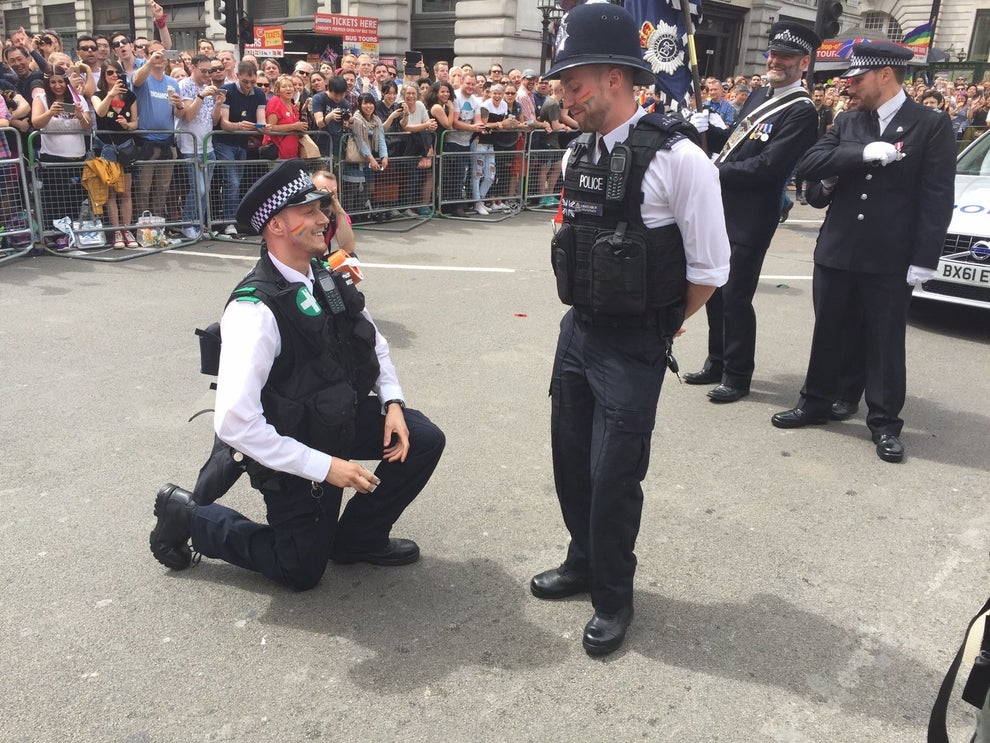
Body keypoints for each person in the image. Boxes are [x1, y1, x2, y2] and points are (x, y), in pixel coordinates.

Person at [532, 2, 730, 656]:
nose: (564, 97)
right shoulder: (578, 152)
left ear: (615, 77)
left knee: (614, 477)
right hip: (578, 332)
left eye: (573, 83)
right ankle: (583, 558)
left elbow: (710, 270)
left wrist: (661, 326)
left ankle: (614, 595)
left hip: (633, 343)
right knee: (570, 460)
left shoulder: (680, 159)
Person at [149, 159, 446, 588]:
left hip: (333, 420)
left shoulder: (322, 275)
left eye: (321, 209)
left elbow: (371, 340)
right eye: (309, 211)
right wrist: (325, 468)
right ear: (276, 226)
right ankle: (188, 515)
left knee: (422, 438)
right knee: (300, 570)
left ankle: (357, 541)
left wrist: (393, 401)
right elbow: (235, 423)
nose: (324, 219)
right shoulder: (254, 309)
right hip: (291, 443)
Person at [771, 41, 956, 463]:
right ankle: (816, 401)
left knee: (884, 340)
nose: (850, 85)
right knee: (828, 330)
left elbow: (936, 197)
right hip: (838, 249)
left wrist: (925, 257)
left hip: (889, 255)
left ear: (884, 75)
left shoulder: (929, 124)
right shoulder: (850, 120)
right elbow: (809, 165)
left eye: (858, 78)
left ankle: (885, 422)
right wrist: (860, 153)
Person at [683, 22, 821, 404]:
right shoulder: (760, 94)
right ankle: (717, 361)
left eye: (786, 57)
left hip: (752, 215)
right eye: (773, 54)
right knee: (713, 290)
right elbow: (738, 141)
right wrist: (712, 128)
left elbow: (770, 167)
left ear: (803, 63)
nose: (776, 61)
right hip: (722, 207)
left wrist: (715, 170)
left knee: (736, 296)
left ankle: (738, 373)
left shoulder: (801, 111)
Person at [31, 64, 93, 231]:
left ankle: (73, 231)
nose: (57, 86)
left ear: (66, 82)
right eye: (53, 82)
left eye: (60, 82)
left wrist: (79, 116)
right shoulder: (41, 99)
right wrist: (50, 113)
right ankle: (55, 233)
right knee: (55, 199)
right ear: (47, 83)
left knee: (75, 198)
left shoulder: (78, 99)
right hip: (53, 159)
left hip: (77, 159)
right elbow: (36, 123)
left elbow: (88, 126)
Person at [175, 54, 224, 240]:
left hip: (207, 146)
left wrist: (218, 104)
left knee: (205, 191)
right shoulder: (185, 85)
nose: (207, 75)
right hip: (190, 146)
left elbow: (214, 120)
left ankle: (199, 224)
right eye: (203, 71)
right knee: (199, 189)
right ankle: (187, 223)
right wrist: (201, 96)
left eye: (210, 71)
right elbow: (187, 116)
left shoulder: (208, 86)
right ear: (192, 68)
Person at [91, 61, 139, 248]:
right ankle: (117, 232)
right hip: (106, 147)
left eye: (117, 73)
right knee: (111, 193)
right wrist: (111, 94)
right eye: (109, 73)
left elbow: (135, 123)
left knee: (126, 192)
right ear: (104, 76)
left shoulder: (130, 96)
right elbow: (100, 112)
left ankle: (127, 230)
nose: (114, 76)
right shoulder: (98, 95)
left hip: (125, 146)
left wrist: (127, 125)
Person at [216, 61, 267, 236]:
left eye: (253, 82)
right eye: (245, 81)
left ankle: (235, 219)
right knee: (232, 182)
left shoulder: (259, 94)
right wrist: (239, 125)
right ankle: (229, 220)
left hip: (242, 143)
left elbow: (261, 121)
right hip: (224, 142)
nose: (249, 85)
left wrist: (262, 127)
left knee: (238, 182)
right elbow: (224, 123)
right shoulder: (227, 90)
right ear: (237, 76)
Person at [131, 45, 179, 217]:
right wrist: (150, 62)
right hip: (146, 142)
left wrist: (180, 105)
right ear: (145, 56)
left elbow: (178, 112)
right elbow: (136, 81)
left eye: (162, 54)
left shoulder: (173, 82)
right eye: (154, 53)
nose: (159, 57)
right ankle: (144, 224)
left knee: (162, 188)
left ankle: (159, 224)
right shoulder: (141, 76)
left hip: (167, 143)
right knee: (143, 188)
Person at [311, 169, 356, 254]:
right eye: (321, 192)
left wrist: (339, 211)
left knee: (351, 257)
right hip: (299, 259)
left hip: (317, 259)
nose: (326, 197)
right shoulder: (301, 211)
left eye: (331, 193)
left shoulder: (336, 214)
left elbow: (348, 249)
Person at [262, 74, 306, 160]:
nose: (288, 89)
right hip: (277, 154)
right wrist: (294, 126)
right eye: (284, 87)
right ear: (278, 91)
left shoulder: (293, 107)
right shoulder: (275, 102)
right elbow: (270, 127)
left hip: (292, 154)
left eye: (290, 86)